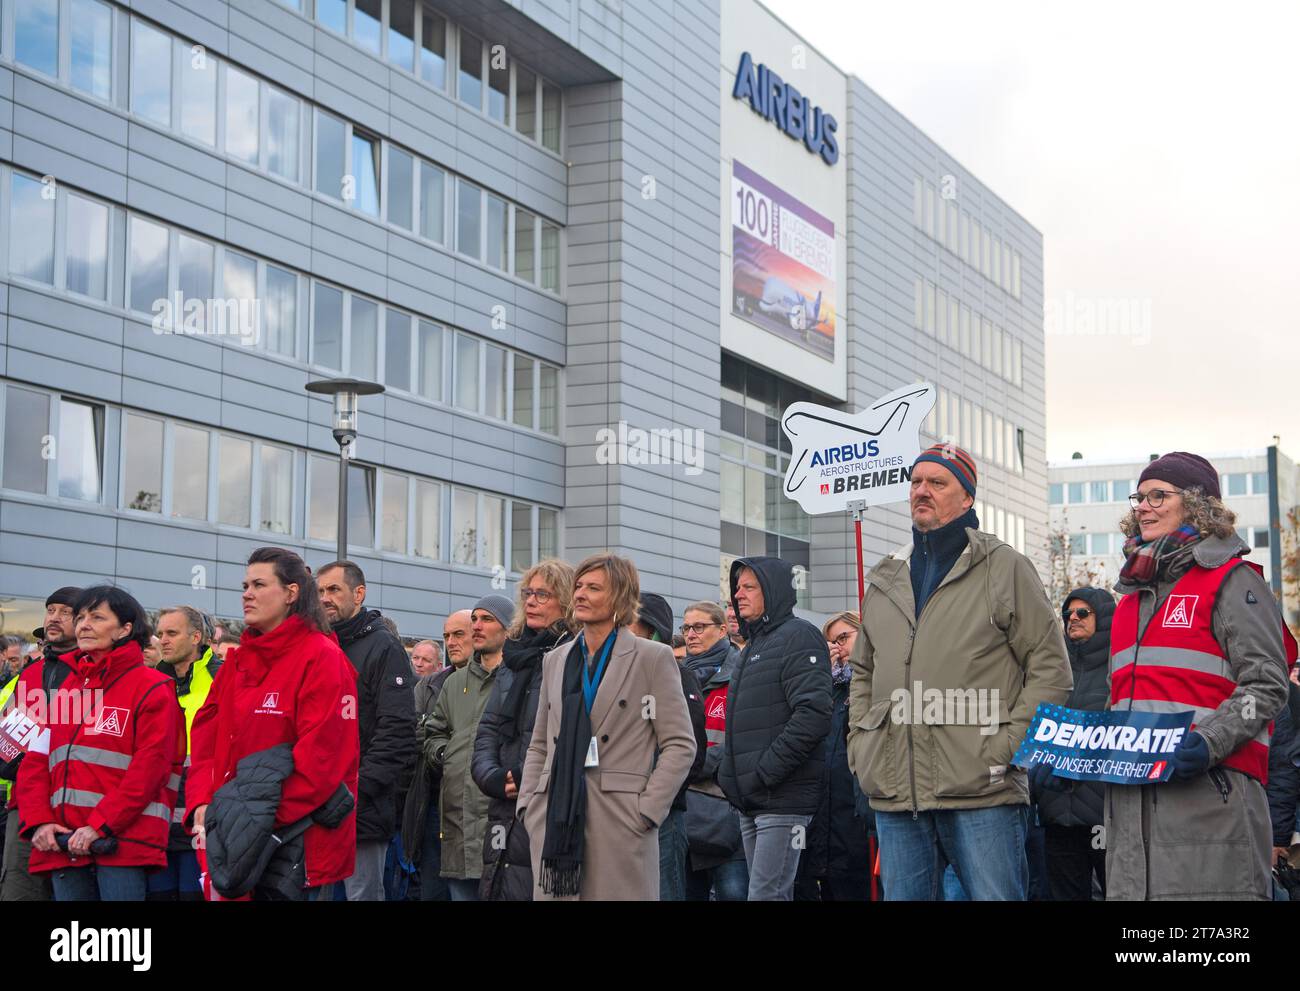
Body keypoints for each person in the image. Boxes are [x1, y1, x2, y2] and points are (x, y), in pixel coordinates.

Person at [849, 444, 1072, 901]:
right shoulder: (885, 576)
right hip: (896, 792)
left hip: (982, 792)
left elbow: (1051, 670)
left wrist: (1006, 749)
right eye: (915, 482)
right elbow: (862, 673)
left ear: (968, 498)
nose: (921, 491)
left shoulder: (1005, 567)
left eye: (937, 482)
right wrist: (862, 746)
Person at [1104, 453, 1295, 900]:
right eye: (1140, 497)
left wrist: (1208, 741)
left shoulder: (1233, 580)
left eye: (1158, 496)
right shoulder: (1129, 597)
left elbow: (1267, 684)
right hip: (1130, 814)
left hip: (1210, 801)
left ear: (1196, 505)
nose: (1143, 507)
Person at [519, 553, 696, 900]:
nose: (580, 594)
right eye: (579, 586)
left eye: (594, 588)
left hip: (620, 819)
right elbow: (539, 742)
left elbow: (680, 744)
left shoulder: (652, 658)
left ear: (619, 597)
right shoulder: (555, 659)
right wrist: (529, 804)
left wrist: (646, 812)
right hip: (555, 816)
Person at [187, 547, 360, 900]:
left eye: (259, 584)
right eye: (245, 585)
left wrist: (247, 820)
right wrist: (204, 803)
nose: (247, 593)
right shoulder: (237, 662)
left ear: (291, 593)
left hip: (295, 845)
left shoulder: (323, 658)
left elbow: (323, 763)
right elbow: (205, 737)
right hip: (234, 839)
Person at [16, 586, 185, 901]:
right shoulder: (71, 686)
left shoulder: (154, 687)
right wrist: (39, 821)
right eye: (80, 617)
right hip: (63, 842)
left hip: (121, 843)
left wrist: (98, 826)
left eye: (96, 617)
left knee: (119, 945)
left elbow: (150, 771)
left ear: (125, 629)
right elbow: (36, 761)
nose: (83, 625)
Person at [718, 557, 831, 901]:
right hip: (753, 799)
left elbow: (813, 714)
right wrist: (732, 775)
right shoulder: (753, 646)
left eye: (749, 587)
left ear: (773, 591)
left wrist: (765, 771)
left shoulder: (800, 637)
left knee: (767, 896)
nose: (739, 595)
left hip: (783, 799)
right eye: (737, 588)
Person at [471, 561, 575, 900]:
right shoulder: (513, 657)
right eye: (528, 593)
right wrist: (491, 775)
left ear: (566, 600)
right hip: (504, 798)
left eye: (542, 594)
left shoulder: (574, 655)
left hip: (545, 799)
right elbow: (488, 728)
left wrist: (528, 777)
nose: (531, 601)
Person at [317, 560, 417, 901]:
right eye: (319, 591)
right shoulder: (319, 646)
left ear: (359, 594)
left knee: (361, 896)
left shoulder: (384, 648)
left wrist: (357, 791)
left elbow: (397, 730)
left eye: (333, 590)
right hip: (315, 805)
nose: (325, 598)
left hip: (362, 810)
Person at [424, 595, 513, 901]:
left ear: (509, 628)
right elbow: (433, 731)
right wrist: (444, 755)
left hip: (499, 814)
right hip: (456, 819)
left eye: (487, 619)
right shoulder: (454, 682)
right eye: (474, 619)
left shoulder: (518, 678)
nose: (477, 626)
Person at [1030, 588, 1113, 901]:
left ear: (1103, 617)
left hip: (1105, 814)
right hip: (1056, 813)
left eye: (1082, 613)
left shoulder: (1119, 669)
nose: (1072, 619)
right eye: (1067, 614)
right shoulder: (1051, 670)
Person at [0, 587, 79, 902]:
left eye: (64, 612)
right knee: (19, 892)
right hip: (25, 805)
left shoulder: (96, 674)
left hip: (76, 805)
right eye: (50, 610)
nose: (54, 618)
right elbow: (9, 746)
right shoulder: (30, 674)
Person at [632, 592, 707, 901]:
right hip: (613, 812)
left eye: (629, 623)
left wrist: (652, 802)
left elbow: (692, 753)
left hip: (662, 817)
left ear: (653, 629)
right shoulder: (610, 676)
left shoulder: (679, 677)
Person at [796, 611, 872, 901]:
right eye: (830, 641)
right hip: (826, 815)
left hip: (857, 813)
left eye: (843, 637)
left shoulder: (870, 685)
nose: (837, 647)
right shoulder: (826, 689)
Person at [150, 605, 223, 901]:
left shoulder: (223, 678)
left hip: (205, 812)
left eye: (171, 633)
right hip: (159, 812)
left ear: (196, 637)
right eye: (159, 634)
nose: (162, 640)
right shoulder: (152, 681)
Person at [679, 600, 747, 901]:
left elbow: (740, 742)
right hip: (685, 812)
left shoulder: (741, 675)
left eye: (699, 627)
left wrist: (688, 763)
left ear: (722, 630)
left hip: (726, 813)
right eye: (686, 628)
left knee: (734, 892)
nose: (691, 634)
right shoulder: (676, 675)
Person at [409, 609, 473, 901]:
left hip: (476, 802)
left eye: (459, 634)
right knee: (433, 888)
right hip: (433, 799)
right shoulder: (429, 685)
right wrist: (450, 749)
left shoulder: (500, 681)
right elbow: (419, 734)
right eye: (447, 636)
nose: (452, 642)